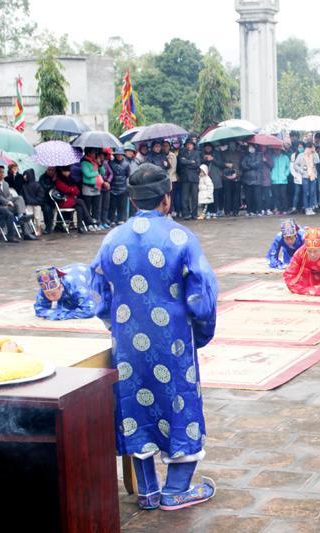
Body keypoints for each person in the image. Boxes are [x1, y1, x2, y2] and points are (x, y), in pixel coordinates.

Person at [90, 163, 218, 511]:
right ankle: (176, 489)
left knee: (135, 404)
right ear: (166, 198)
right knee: (180, 401)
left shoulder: (112, 238)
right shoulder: (181, 237)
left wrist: (114, 325)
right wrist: (201, 334)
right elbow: (201, 296)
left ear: (132, 201)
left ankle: (147, 490)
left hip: (128, 343)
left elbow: (98, 291)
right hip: (173, 342)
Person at [177, 137, 202, 220]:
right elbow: (181, 162)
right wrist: (191, 162)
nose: (189, 146)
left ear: (193, 145)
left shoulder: (197, 153)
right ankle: (186, 214)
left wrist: (187, 163)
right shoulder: (182, 153)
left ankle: (194, 214)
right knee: (185, 197)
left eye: (190, 144)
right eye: (187, 144)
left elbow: (197, 164)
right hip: (185, 178)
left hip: (194, 178)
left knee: (194, 197)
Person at [293, 141, 320, 216]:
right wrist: (301, 171)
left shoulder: (313, 155)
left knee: (312, 192)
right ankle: (306, 208)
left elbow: (318, 161)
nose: (311, 149)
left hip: (313, 176)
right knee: (306, 192)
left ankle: (311, 207)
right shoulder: (301, 155)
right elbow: (295, 165)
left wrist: (315, 152)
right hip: (305, 176)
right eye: (310, 148)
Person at [108, 147, 131, 225]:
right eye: (117, 154)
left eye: (120, 154)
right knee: (112, 205)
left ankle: (121, 219)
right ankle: (112, 220)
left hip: (123, 188)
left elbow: (127, 174)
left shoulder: (126, 164)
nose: (119, 156)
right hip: (113, 187)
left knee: (122, 206)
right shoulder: (110, 163)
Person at [201, 143, 223, 218]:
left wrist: (213, 159)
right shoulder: (201, 154)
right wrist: (204, 159)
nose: (207, 148)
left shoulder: (217, 153)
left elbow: (221, 164)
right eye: (206, 147)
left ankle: (214, 211)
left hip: (215, 177)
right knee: (205, 195)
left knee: (215, 195)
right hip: (205, 178)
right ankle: (207, 211)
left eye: (209, 147)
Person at [270, 147, 290, 214]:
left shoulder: (285, 157)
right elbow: (269, 168)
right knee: (276, 195)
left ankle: (285, 209)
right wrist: (271, 176)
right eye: (275, 149)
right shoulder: (272, 157)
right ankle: (278, 209)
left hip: (283, 180)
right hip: (274, 180)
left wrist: (285, 175)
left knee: (283, 195)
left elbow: (288, 167)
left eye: (278, 149)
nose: (276, 151)